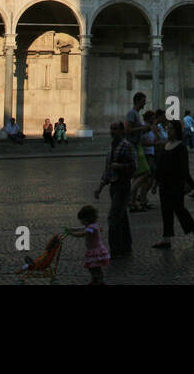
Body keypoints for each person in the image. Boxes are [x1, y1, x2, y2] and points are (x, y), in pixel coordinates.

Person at [152, 120, 194, 248]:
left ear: (177, 131)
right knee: (166, 210)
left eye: (171, 129)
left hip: (176, 183)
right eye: (167, 128)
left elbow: (183, 168)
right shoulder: (165, 145)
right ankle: (166, 238)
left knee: (179, 209)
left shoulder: (181, 147)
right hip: (164, 183)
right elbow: (160, 166)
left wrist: (187, 183)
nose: (168, 131)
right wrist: (155, 183)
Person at [94, 121, 135, 256]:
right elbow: (108, 170)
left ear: (122, 131)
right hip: (114, 185)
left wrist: (120, 166)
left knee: (113, 216)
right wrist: (100, 188)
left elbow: (133, 166)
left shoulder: (126, 146)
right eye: (111, 129)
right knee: (121, 216)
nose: (112, 132)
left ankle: (115, 249)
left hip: (123, 185)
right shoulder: (111, 147)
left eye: (115, 129)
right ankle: (126, 246)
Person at [65, 204, 110, 285]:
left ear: (87, 219)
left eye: (82, 220)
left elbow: (83, 233)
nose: (81, 222)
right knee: (92, 266)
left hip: (96, 250)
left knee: (96, 267)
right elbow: (80, 228)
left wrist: (72, 233)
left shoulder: (92, 227)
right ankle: (95, 278)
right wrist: (71, 229)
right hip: (93, 250)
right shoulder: (90, 225)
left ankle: (100, 280)